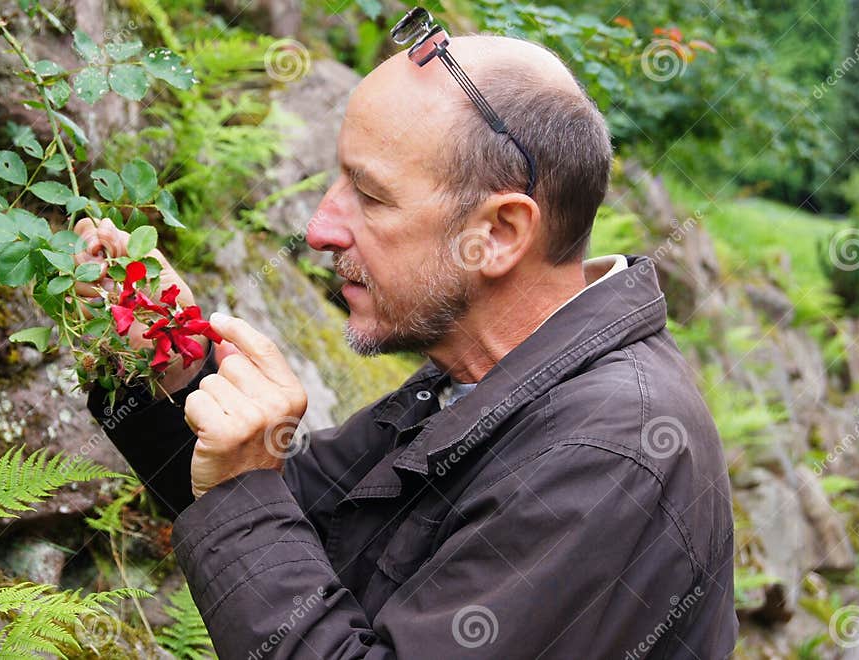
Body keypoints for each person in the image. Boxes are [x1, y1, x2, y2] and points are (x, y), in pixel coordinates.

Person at [76, 30, 737, 660]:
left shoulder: (611, 451)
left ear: (501, 233)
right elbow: (296, 525)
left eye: (368, 195)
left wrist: (245, 486)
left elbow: (256, 514)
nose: (319, 228)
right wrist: (176, 372)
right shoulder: (484, 382)